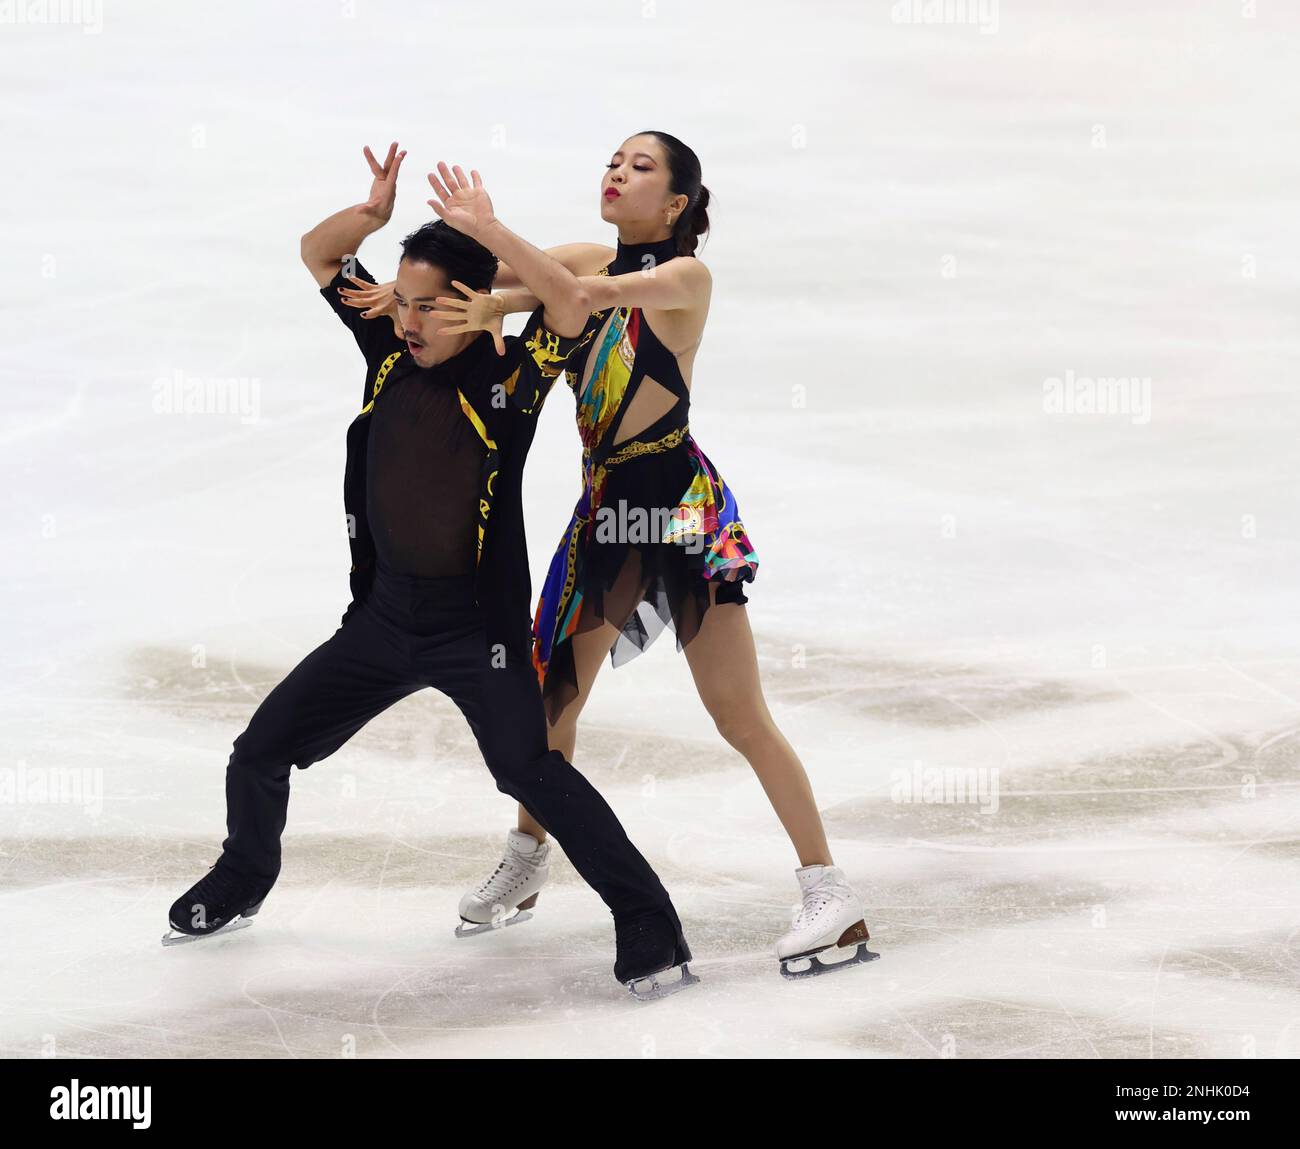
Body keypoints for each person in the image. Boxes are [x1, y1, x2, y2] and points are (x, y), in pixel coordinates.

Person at [162, 143, 698, 1001]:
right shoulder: (385, 354)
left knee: (532, 772)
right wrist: (370, 218)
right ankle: (242, 876)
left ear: (472, 306)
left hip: (471, 634)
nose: (406, 321)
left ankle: (649, 920)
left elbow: (564, 304)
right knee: (256, 753)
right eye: (400, 304)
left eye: (427, 308)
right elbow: (321, 255)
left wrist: (488, 232)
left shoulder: (510, 383)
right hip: (379, 622)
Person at [345, 133, 877, 979]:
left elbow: (577, 293)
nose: (616, 174)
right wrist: (407, 298)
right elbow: (491, 290)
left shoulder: (682, 279)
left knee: (737, 714)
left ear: (674, 205)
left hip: (676, 509)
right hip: (605, 510)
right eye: (612, 161)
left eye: (640, 169)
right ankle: (527, 855)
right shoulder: (590, 254)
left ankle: (828, 890)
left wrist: (494, 233)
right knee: (550, 700)